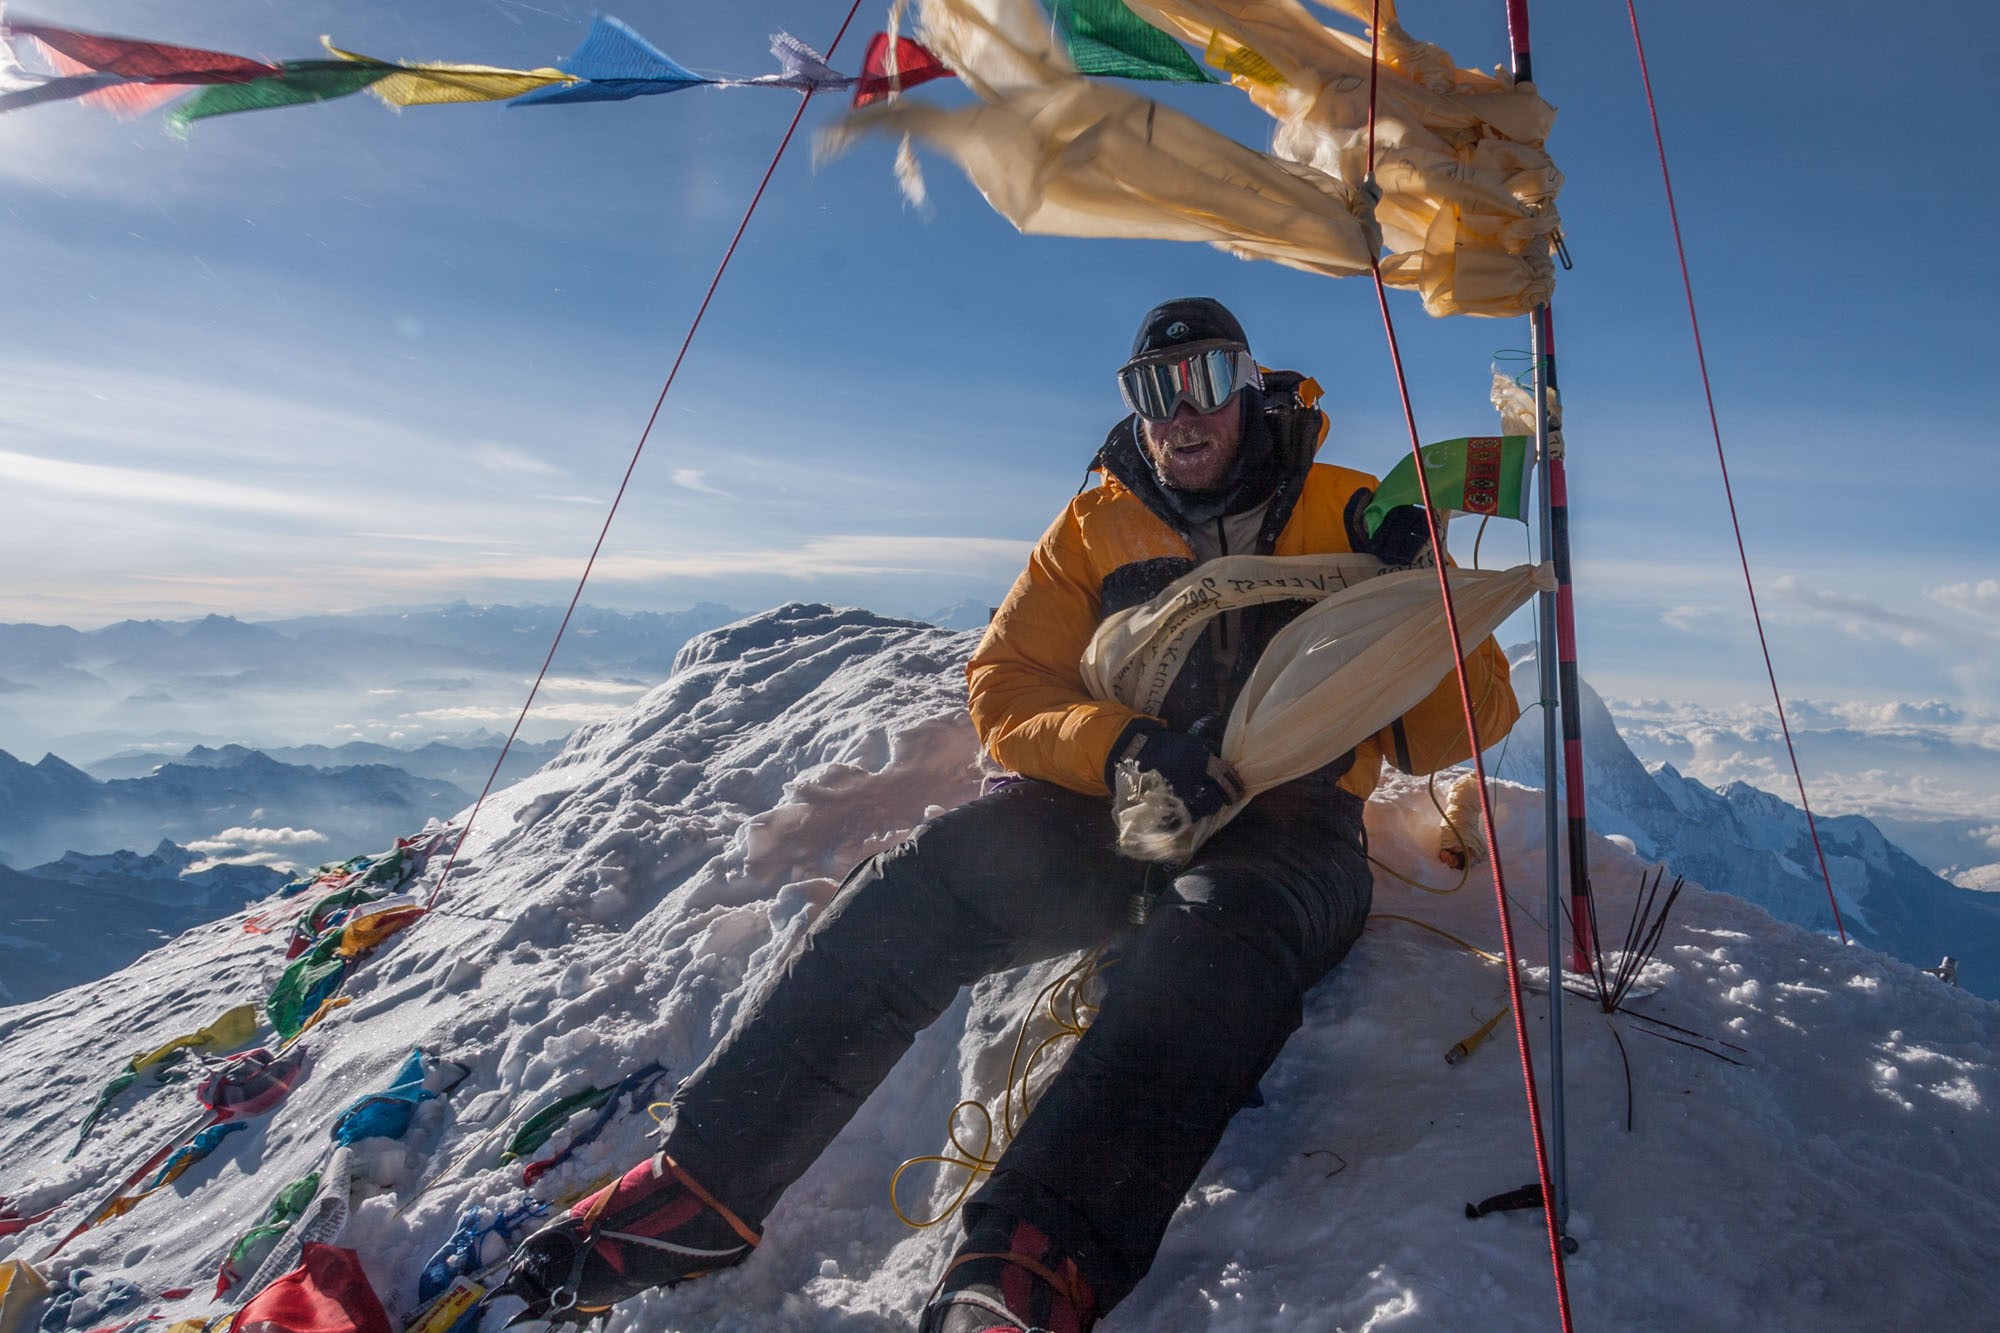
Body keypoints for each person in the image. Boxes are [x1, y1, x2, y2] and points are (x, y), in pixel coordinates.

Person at [499, 298, 1520, 1331]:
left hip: (1293, 828)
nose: (1180, 413)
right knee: (930, 879)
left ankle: (1030, 1260)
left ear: (1250, 386)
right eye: (1153, 390)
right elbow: (1007, 686)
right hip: (1132, 801)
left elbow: (1452, 731)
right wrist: (1123, 747)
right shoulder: (1095, 526)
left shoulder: (1351, 508)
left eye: (1206, 380)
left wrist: (1426, 588)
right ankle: (705, 1185)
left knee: (1211, 940)